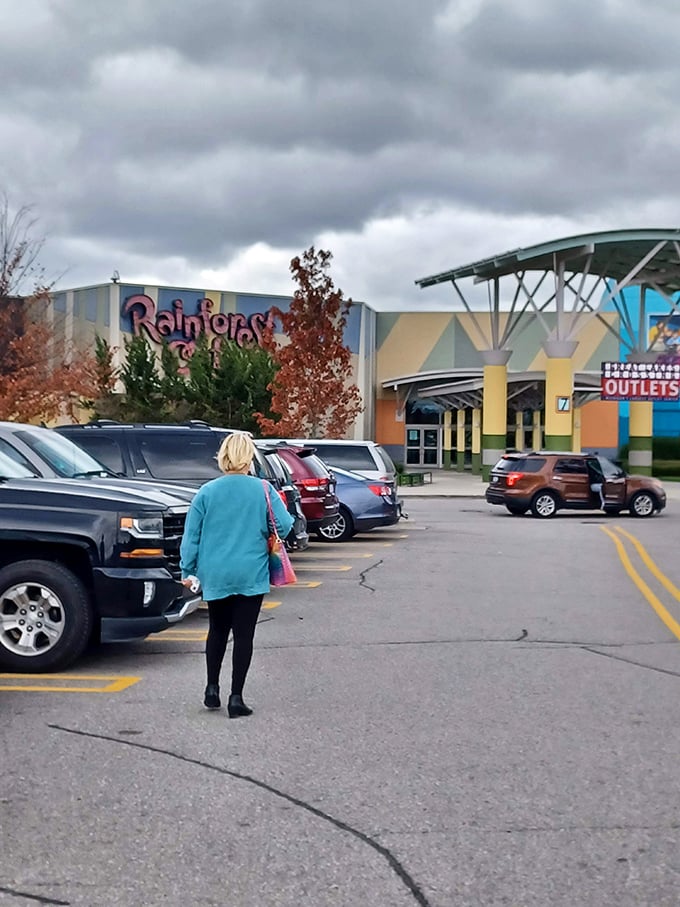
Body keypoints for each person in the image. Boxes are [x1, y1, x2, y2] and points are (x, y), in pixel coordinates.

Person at [180, 432, 294, 718]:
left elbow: (191, 536)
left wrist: (187, 570)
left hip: (215, 571)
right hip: (250, 571)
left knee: (217, 629)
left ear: (224, 456)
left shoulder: (206, 492)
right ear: (249, 457)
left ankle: (211, 688)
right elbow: (285, 525)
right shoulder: (263, 489)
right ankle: (236, 697)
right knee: (244, 635)